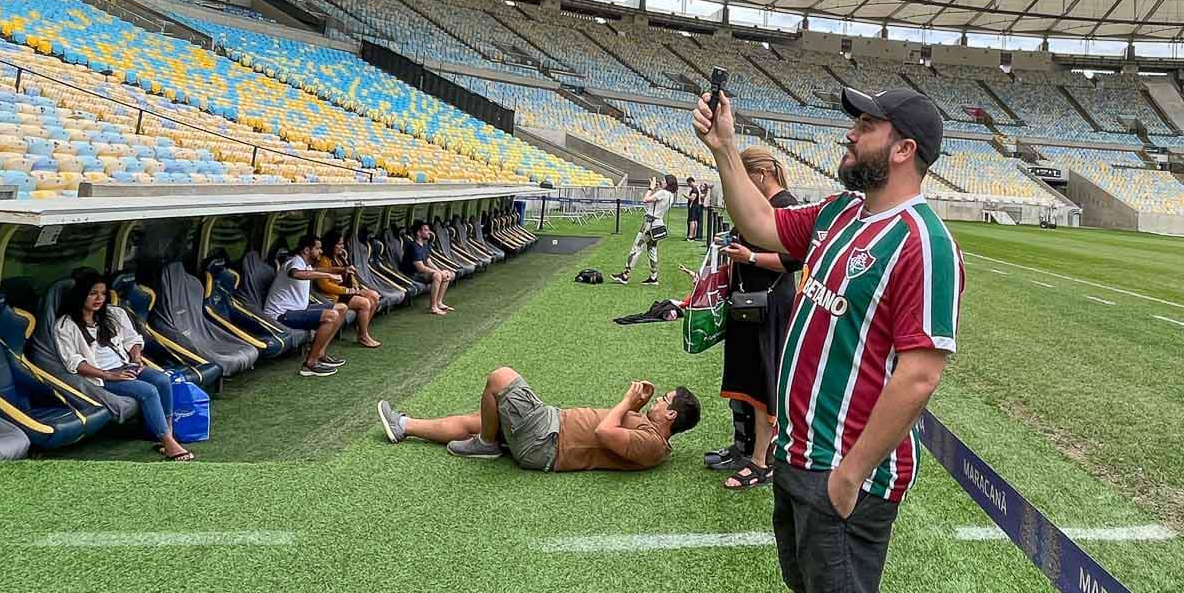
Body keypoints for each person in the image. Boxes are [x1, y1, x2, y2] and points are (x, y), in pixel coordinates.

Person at [694, 84, 964, 593]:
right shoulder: (843, 213)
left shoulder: (922, 243)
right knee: (810, 592)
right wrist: (724, 147)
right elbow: (761, 220)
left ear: (903, 148)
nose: (851, 136)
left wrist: (850, 470)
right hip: (802, 453)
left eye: (866, 126)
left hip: (851, 473)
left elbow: (920, 373)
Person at [375, 369, 700, 472]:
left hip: (548, 443)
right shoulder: (648, 430)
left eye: (663, 400)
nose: (658, 400)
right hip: (550, 426)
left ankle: (487, 445)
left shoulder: (652, 445)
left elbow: (604, 432)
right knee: (483, 416)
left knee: (501, 378)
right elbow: (619, 424)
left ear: (671, 416)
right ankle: (404, 425)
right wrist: (638, 406)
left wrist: (627, 402)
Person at [712, 148, 799, 491]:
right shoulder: (759, 206)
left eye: (746, 179)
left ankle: (762, 461)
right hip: (747, 302)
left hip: (769, 305)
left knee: (763, 384)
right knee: (744, 379)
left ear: (761, 174)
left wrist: (748, 255)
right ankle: (744, 446)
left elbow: (794, 259)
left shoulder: (786, 204)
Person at [53, 267, 195, 461]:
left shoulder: (113, 314)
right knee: (148, 391)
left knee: (162, 379)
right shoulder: (65, 325)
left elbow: (132, 339)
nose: (99, 298)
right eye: (93, 293)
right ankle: (168, 442)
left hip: (125, 365)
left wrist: (136, 358)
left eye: (103, 294)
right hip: (102, 376)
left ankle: (168, 432)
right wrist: (109, 375)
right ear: (81, 295)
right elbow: (74, 362)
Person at [262, 231, 350, 376]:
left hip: (298, 310)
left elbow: (318, 269)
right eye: (318, 248)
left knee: (342, 308)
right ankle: (310, 364)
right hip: (281, 315)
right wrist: (328, 275)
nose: (321, 251)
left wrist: (343, 269)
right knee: (332, 316)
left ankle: (320, 354)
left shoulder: (306, 264)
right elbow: (296, 274)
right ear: (307, 250)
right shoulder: (294, 262)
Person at [613, 174, 677, 285]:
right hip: (658, 223)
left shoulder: (662, 193)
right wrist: (656, 189)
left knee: (637, 248)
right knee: (652, 250)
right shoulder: (671, 195)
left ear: (668, 183)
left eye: (663, 180)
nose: (661, 181)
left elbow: (646, 200)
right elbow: (658, 202)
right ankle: (653, 276)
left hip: (649, 224)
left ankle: (625, 275)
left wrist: (651, 188)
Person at [317, 229, 383, 329]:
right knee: (365, 303)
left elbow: (350, 275)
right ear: (331, 244)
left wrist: (355, 285)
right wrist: (346, 290)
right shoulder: (323, 260)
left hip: (348, 291)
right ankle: (363, 335)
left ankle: (362, 326)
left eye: (342, 244)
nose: (342, 247)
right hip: (338, 294)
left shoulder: (341, 257)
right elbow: (324, 285)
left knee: (374, 295)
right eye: (339, 244)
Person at [405, 221, 456, 315]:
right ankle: (433, 307)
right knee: (437, 276)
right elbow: (420, 267)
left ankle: (439, 303)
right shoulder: (413, 247)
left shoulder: (424, 245)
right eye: (426, 230)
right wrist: (438, 273)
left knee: (447, 273)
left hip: (421, 273)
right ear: (419, 233)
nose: (429, 232)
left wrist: (441, 271)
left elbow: (428, 262)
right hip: (412, 275)